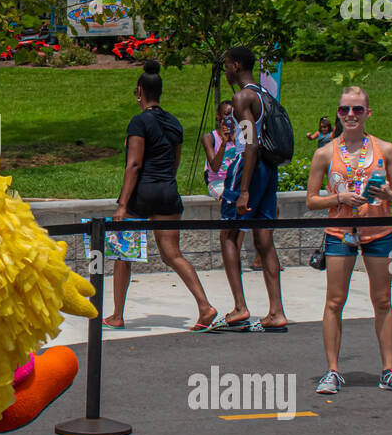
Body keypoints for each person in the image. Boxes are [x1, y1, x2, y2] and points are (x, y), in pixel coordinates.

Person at [307, 87, 392, 394]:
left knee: (383, 300)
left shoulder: (385, 149)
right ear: (338, 113)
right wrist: (339, 197)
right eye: (344, 110)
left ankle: (389, 370)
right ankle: (332, 371)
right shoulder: (325, 152)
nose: (350, 115)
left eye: (357, 110)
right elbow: (311, 200)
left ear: (367, 113)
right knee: (335, 301)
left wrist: (387, 195)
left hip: (378, 231)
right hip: (340, 232)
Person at [106, 60, 218, 330]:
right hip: (168, 191)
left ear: (139, 91)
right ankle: (205, 306)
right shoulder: (174, 123)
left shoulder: (138, 122)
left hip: (142, 192)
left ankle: (117, 315)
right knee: (172, 253)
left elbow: (133, 164)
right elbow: (175, 163)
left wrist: (122, 204)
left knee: (124, 255)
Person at [210, 45, 287, 332]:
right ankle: (276, 311)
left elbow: (250, 142)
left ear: (238, 65)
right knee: (263, 238)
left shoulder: (242, 97)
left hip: (248, 167)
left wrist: (243, 190)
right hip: (269, 170)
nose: (226, 71)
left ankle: (240, 307)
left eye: (228, 65)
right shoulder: (266, 96)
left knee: (228, 234)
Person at [203, 99, 264, 271]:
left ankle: (258, 256)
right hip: (218, 182)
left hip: (236, 180)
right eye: (225, 115)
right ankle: (233, 253)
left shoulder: (240, 135)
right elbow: (214, 166)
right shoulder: (210, 137)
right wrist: (223, 142)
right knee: (231, 200)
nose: (229, 119)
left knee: (257, 204)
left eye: (232, 115)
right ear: (218, 116)